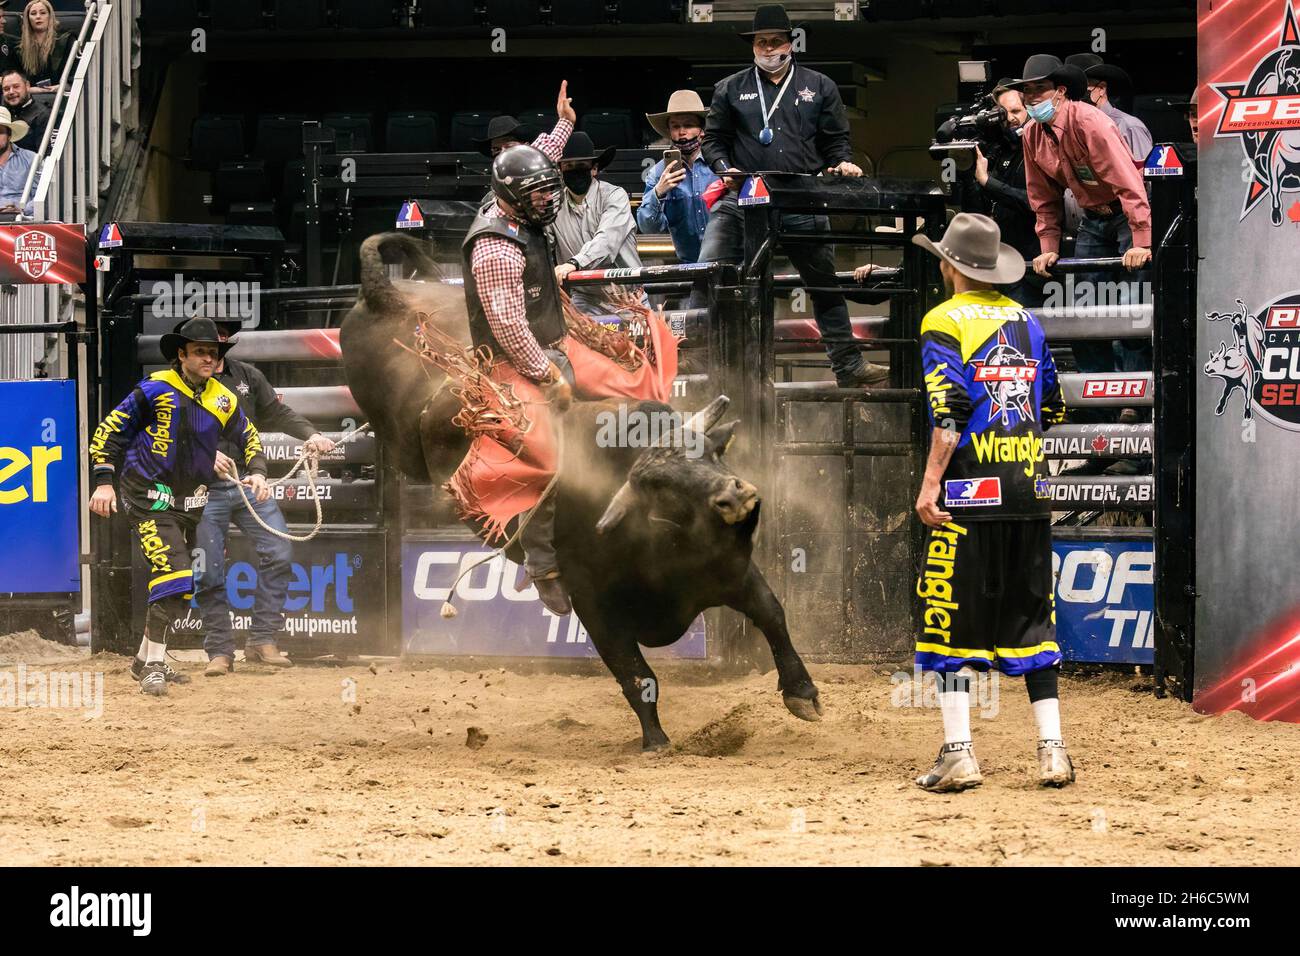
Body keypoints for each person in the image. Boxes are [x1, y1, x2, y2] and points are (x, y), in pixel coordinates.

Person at [453, 135, 678, 616]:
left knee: (636, 380)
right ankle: (542, 564)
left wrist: (561, 126)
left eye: (546, 188)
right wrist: (546, 374)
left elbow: (537, 164)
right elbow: (509, 327)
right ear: (512, 197)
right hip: (512, 362)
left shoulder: (519, 203)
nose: (547, 198)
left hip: (555, 338)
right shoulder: (495, 247)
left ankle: (665, 485)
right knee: (542, 454)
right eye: (537, 193)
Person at [910, 213, 1072, 792]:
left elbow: (947, 412)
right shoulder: (1026, 320)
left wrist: (930, 483)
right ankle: (1053, 752)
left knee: (949, 623)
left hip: (967, 494)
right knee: (1032, 619)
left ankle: (959, 753)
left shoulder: (942, 320)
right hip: (1029, 490)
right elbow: (1051, 405)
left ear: (950, 265)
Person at [699, 3, 887, 388]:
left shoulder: (820, 86)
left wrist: (842, 164)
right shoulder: (729, 88)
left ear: (790, 44)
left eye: (776, 41)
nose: (769, 49)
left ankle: (847, 364)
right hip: (744, 195)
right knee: (710, 273)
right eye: (761, 42)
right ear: (753, 47)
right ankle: (710, 366)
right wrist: (724, 169)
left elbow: (836, 143)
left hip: (801, 194)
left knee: (824, 283)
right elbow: (713, 142)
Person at [88, 318, 269, 696]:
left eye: (214, 352)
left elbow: (248, 434)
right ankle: (155, 665)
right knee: (173, 571)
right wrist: (103, 482)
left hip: (192, 501)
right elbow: (108, 432)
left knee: (183, 585)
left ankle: (142, 660)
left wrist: (258, 471)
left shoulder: (223, 397)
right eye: (200, 351)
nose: (209, 358)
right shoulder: (154, 389)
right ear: (181, 354)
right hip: (148, 495)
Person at [1011, 53, 1152, 456]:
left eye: (1037, 89)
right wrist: (1048, 249)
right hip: (1093, 218)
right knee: (1083, 311)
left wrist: (1141, 240)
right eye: (1026, 90)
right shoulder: (1033, 137)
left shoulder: (1090, 121)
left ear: (1060, 91)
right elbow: (1042, 199)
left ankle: (1133, 402)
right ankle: (1098, 403)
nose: (1030, 96)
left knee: (1131, 306)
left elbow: (1129, 182)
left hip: (1126, 214)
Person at [194, 319, 337, 676]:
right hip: (201, 489)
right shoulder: (178, 386)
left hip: (246, 481)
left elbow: (274, 415)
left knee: (279, 551)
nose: (212, 349)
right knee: (209, 569)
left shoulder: (247, 377)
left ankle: (261, 637)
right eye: (204, 345)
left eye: (217, 342)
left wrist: (311, 434)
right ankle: (219, 650)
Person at [957, 82, 1044, 307]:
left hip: (1029, 263)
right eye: (1006, 113)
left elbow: (1034, 203)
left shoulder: (1043, 148)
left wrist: (989, 182)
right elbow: (975, 212)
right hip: (997, 263)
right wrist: (969, 173)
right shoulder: (1000, 151)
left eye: (1017, 111)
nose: (1012, 118)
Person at [549, 130, 645, 316]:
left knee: (644, 344)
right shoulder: (554, 205)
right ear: (560, 170)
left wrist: (574, 263)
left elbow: (607, 240)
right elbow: (544, 242)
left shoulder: (615, 196)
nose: (575, 170)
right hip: (584, 298)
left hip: (629, 299)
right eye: (569, 165)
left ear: (594, 168)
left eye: (581, 165)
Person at [638, 90, 718, 265]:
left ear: (702, 130)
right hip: (689, 267)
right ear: (669, 132)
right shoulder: (659, 173)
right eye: (675, 126)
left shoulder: (720, 165)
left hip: (729, 263)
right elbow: (647, 227)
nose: (682, 132)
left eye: (688, 125)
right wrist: (659, 192)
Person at [1065, 53, 1153, 165]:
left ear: (1101, 89)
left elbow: (1145, 173)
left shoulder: (1128, 127)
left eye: (1082, 87)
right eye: (1071, 89)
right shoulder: (1071, 128)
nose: (1076, 94)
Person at [17, 0, 72, 92]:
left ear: (50, 16)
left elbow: (73, 76)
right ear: (27, 19)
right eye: (33, 14)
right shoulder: (19, 48)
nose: (38, 17)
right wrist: (27, 90)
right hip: (30, 97)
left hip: (60, 94)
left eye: (43, 13)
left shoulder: (65, 40)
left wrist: (61, 87)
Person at [0, 104, 33, 218]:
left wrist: (21, 209)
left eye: (0, 132)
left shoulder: (30, 158)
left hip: (21, 219)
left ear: (9, 135)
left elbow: (42, 196)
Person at [2, 67, 47, 148]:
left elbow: (45, 154)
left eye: (16, 86)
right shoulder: (2, 110)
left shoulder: (42, 114)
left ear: (27, 86)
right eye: (6, 89)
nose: (11, 92)